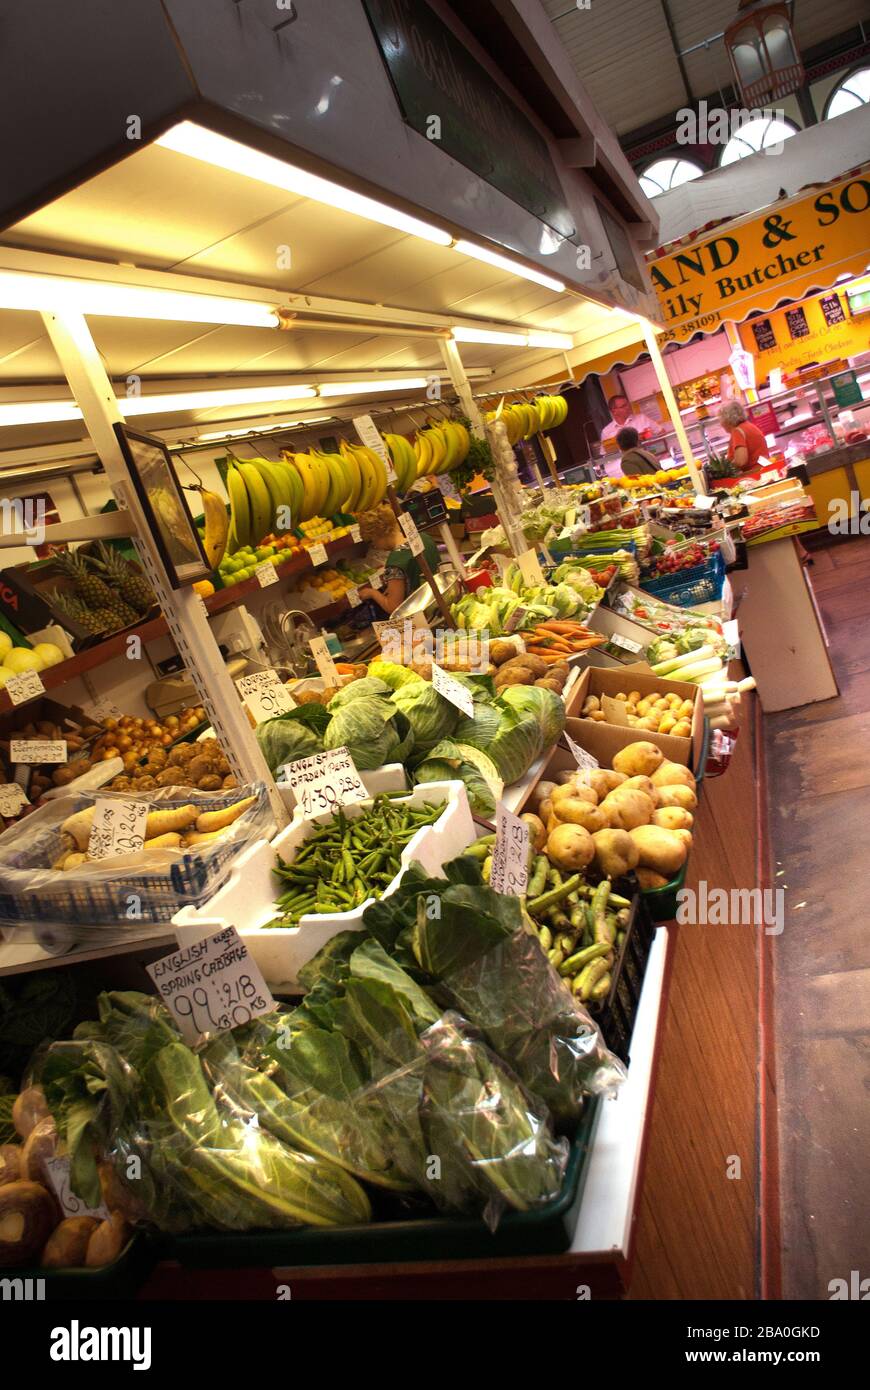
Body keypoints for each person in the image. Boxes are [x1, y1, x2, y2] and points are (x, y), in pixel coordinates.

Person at [355, 502, 441, 615]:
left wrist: (372, 593)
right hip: (440, 601)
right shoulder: (423, 537)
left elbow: (393, 607)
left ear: (377, 535)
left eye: (372, 541)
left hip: (423, 614)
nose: (375, 546)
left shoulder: (395, 563)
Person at [718, 400, 767, 472]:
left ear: (726, 419)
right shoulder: (749, 426)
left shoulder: (737, 431)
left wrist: (725, 469)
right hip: (764, 470)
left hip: (754, 476)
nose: (721, 424)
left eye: (720, 419)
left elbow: (741, 461)